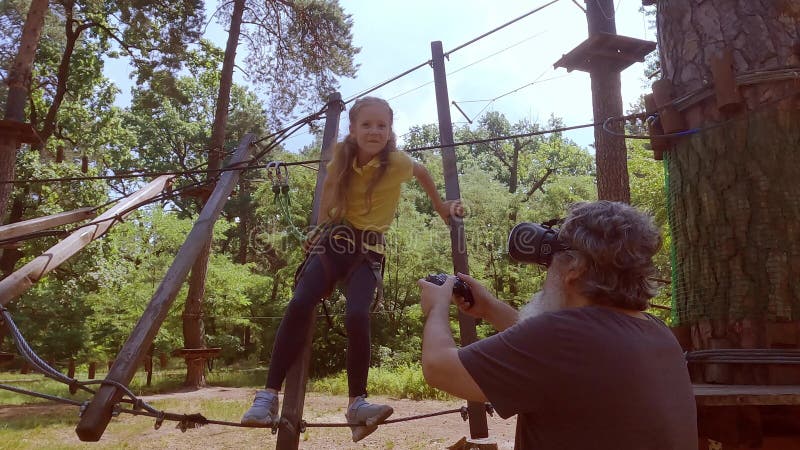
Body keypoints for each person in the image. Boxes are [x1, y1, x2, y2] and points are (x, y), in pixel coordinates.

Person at [242, 96, 463, 442]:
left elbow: (422, 173)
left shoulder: (398, 162)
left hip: (370, 249)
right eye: (367, 125)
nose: (374, 131)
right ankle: (268, 395)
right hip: (336, 240)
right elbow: (330, 190)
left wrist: (440, 206)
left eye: (382, 125)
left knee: (357, 315)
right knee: (300, 304)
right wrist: (317, 227)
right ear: (354, 129)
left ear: (390, 131)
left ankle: (356, 404)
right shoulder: (341, 158)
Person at [418, 201, 697, 450]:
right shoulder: (656, 331)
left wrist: (437, 305)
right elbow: (555, 359)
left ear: (574, 269)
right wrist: (491, 309)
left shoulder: (564, 335)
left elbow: (439, 368)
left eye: (552, 261)